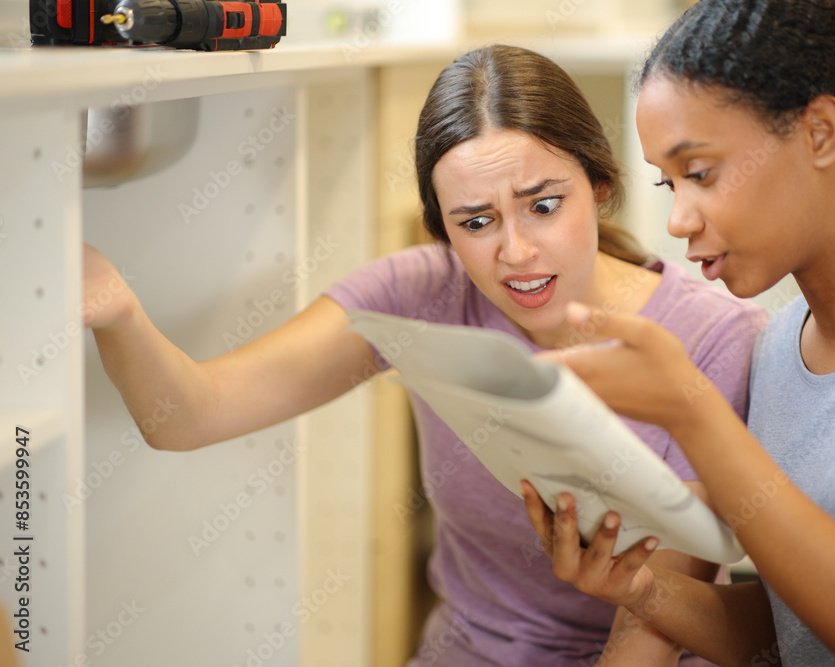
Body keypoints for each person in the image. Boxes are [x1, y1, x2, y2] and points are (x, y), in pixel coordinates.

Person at [84, 45, 765, 665]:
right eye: (476, 222)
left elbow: (649, 631)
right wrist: (118, 311)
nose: (516, 252)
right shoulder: (422, 292)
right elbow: (187, 415)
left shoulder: (715, 338)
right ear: (442, 230)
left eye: (545, 205)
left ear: (601, 186)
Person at [521, 0, 835, 665]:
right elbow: (794, 626)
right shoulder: (779, 347)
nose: (679, 219)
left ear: (822, 132)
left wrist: (689, 410)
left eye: (701, 173)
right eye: (668, 181)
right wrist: (640, 586)